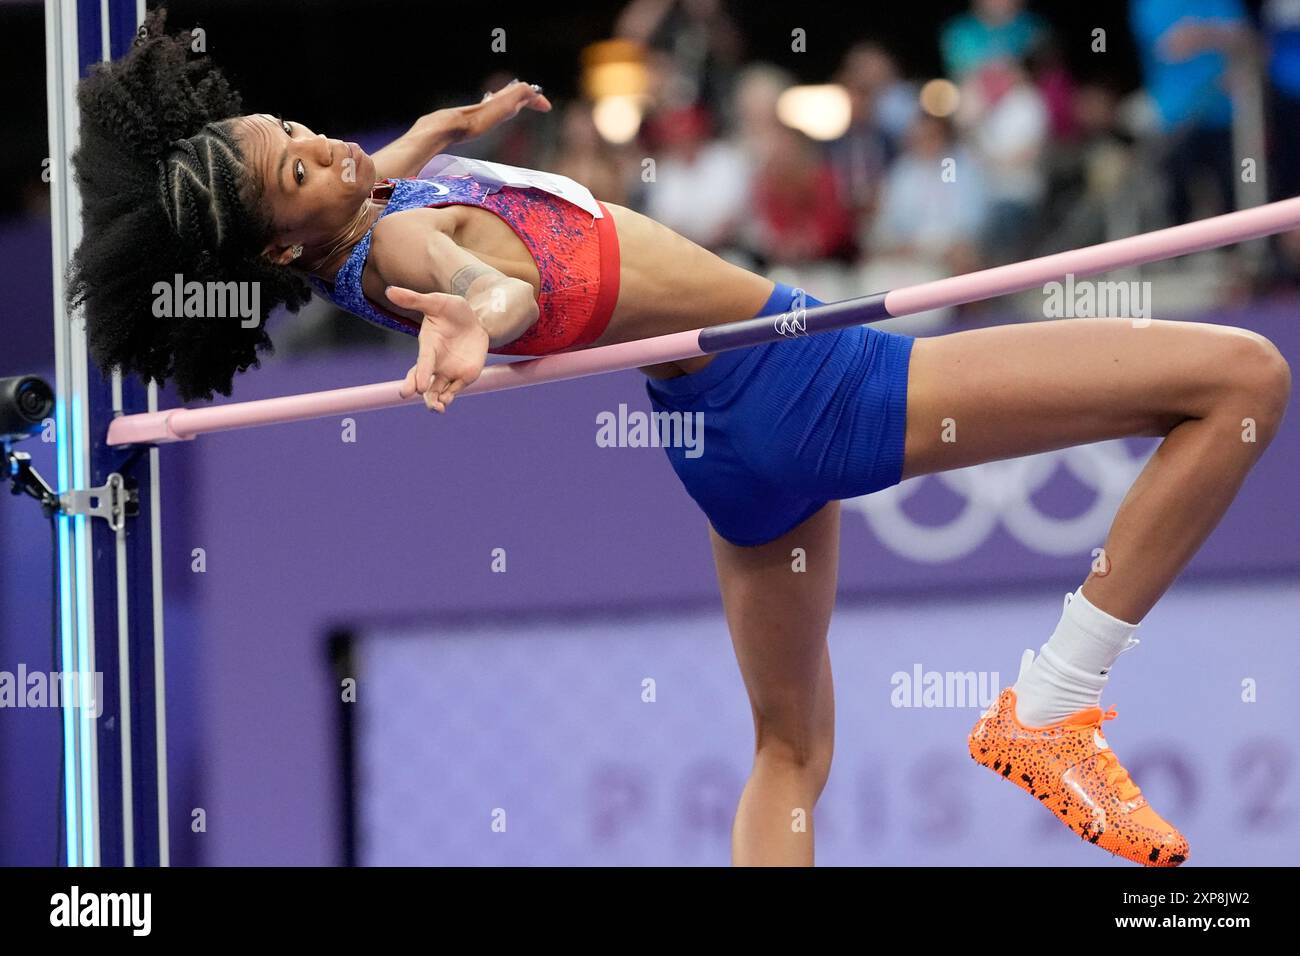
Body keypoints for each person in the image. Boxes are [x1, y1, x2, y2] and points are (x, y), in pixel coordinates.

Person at [71, 11, 1291, 866]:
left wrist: (451, 124)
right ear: (284, 244)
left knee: (787, 749)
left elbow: (376, 182)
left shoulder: (350, 222)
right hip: (809, 376)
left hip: (717, 432)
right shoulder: (398, 254)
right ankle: (1053, 706)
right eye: (298, 168)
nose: (327, 148)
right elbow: (472, 282)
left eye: (298, 128)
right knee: (1238, 379)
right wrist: (474, 323)